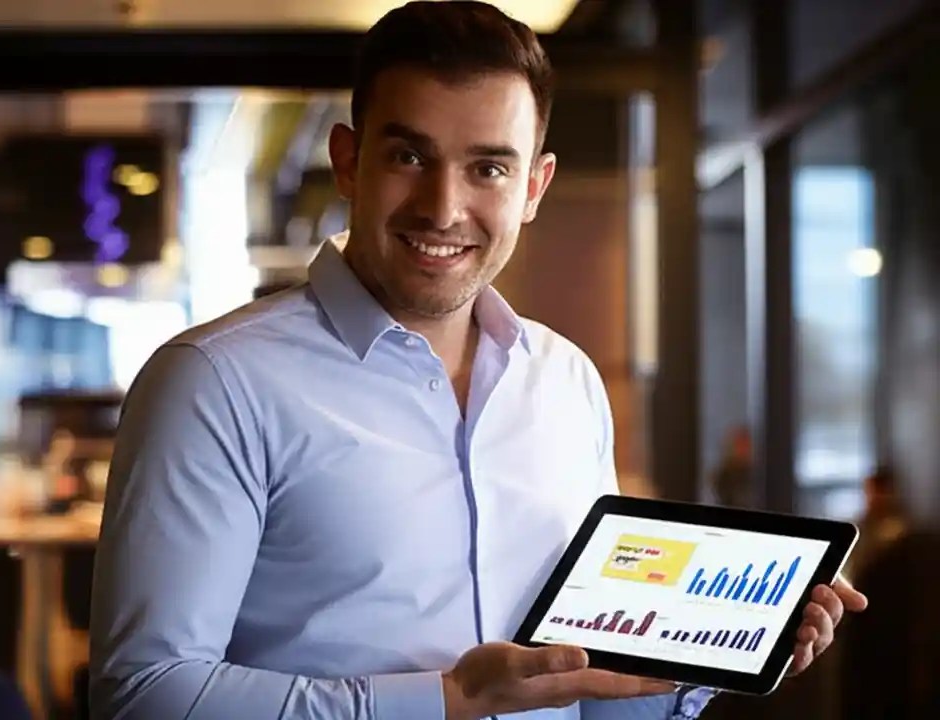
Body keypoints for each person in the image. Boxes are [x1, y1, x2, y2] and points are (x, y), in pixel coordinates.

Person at [88, 3, 868, 719]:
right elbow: (146, 695)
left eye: (488, 168)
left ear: (534, 186)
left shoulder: (566, 381)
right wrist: (445, 700)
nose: (443, 207)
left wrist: (716, 655)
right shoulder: (214, 381)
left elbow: (587, 690)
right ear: (351, 163)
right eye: (409, 156)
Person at [709, 425, 754, 509]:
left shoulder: (756, 474)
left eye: (746, 445)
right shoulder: (724, 474)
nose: (744, 450)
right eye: (740, 445)